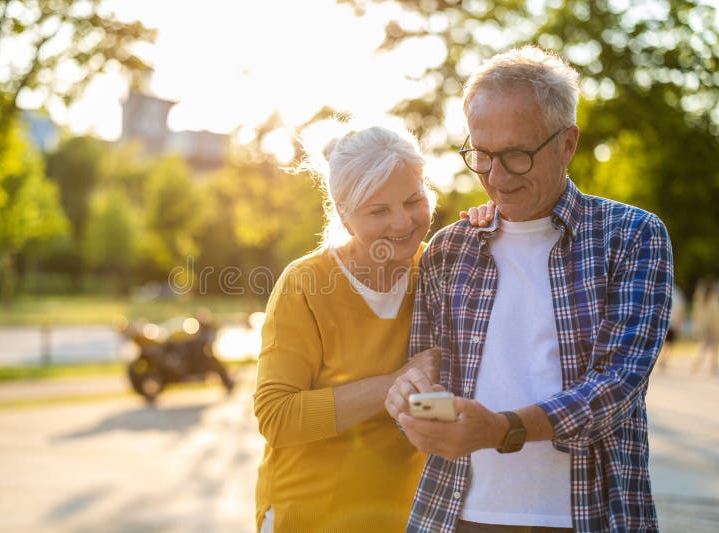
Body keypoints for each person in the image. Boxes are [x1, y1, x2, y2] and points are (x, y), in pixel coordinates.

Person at [385, 45, 673, 533]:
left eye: (516, 155)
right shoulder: (447, 251)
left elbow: (617, 387)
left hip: (588, 516)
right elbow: (426, 371)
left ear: (567, 144)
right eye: (481, 154)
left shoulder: (633, 236)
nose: (495, 178)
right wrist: (410, 396)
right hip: (455, 515)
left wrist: (504, 429)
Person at [253, 125, 494, 532]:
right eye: (378, 210)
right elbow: (278, 417)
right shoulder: (306, 284)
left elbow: (437, 404)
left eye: (413, 200)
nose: (402, 221)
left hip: (407, 518)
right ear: (345, 216)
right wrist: (394, 383)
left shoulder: (439, 270)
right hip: (309, 516)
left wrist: (493, 235)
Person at [691, 278, 719, 375]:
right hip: (711, 327)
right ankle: (705, 365)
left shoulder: (703, 300)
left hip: (708, 326)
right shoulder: (710, 300)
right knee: (708, 346)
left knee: (706, 346)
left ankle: (706, 365)